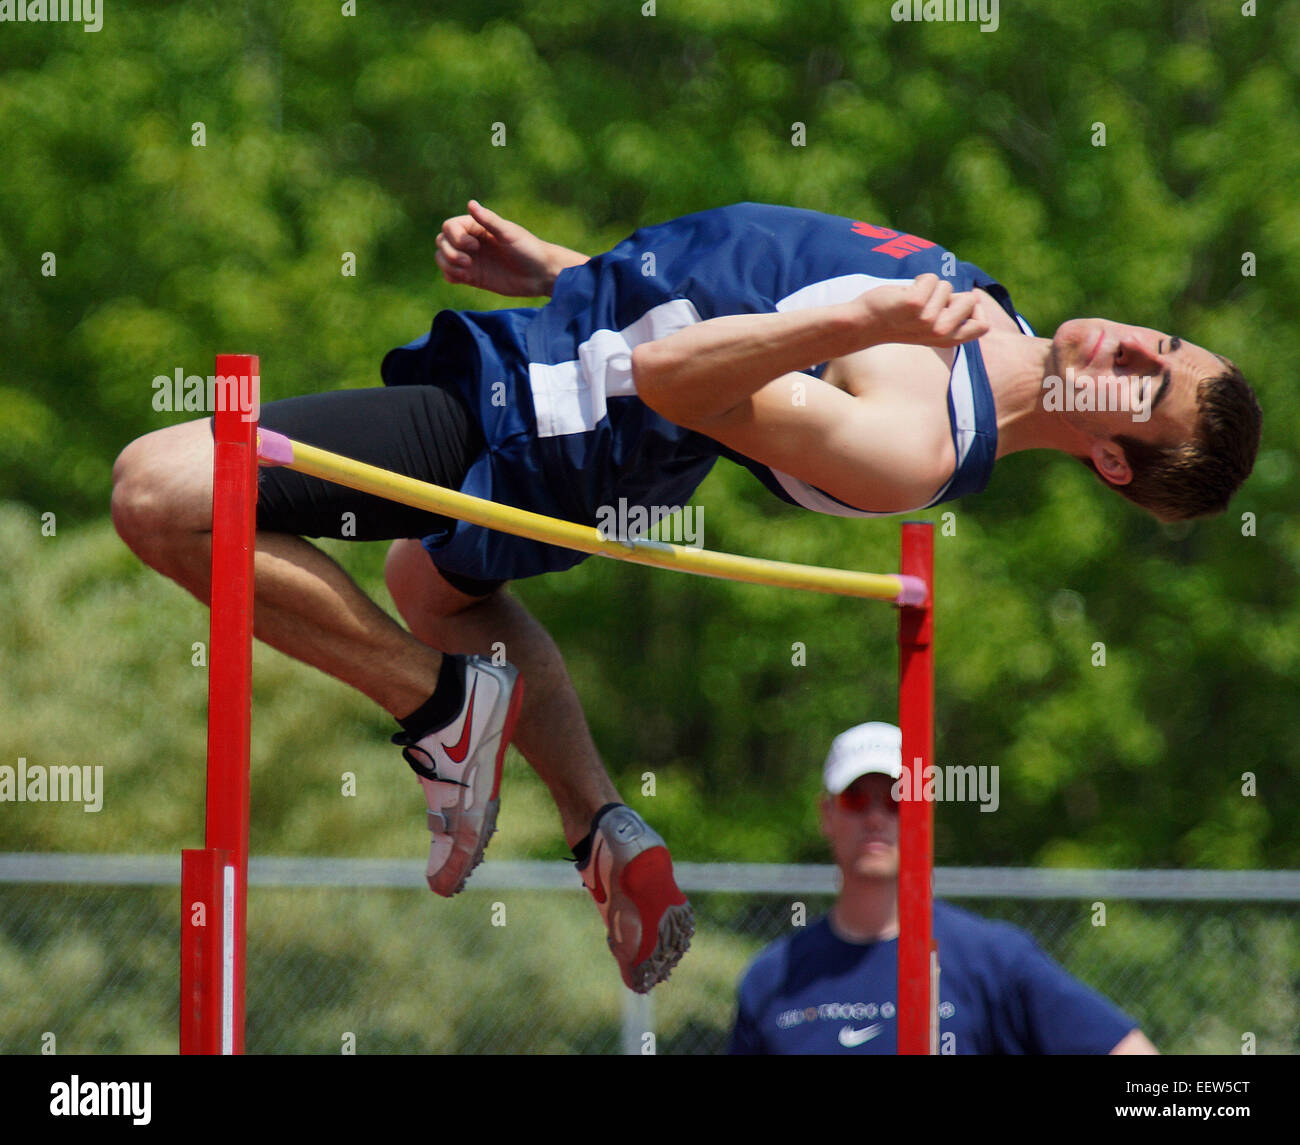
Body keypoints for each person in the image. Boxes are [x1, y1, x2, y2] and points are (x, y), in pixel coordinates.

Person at [110, 200, 1260, 994]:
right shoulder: (992, 326)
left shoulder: (911, 444)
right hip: (566, 352)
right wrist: (574, 271)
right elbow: (744, 281)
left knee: (164, 492)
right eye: (1160, 338)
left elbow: (672, 375)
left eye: (1141, 382)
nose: (1130, 342)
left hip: (553, 414)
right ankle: (599, 816)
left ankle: (436, 708)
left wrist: (863, 317)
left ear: (1110, 456)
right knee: (428, 585)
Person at [730, 722, 1160, 1054]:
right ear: (827, 814)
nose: (876, 817)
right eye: (856, 799)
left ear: (923, 813)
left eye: (897, 798)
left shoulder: (991, 961)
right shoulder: (774, 977)